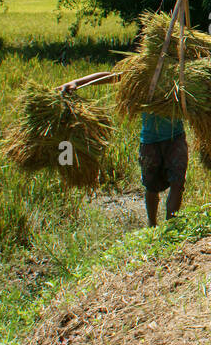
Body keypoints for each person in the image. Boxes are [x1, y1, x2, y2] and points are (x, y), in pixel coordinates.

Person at [60, 70, 186, 227]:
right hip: (150, 139)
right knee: (151, 186)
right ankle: (152, 226)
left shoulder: (176, 70)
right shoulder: (147, 68)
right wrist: (78, 83)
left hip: (176, 137)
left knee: (177, 182)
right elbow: (113, 76)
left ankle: (171, 226)